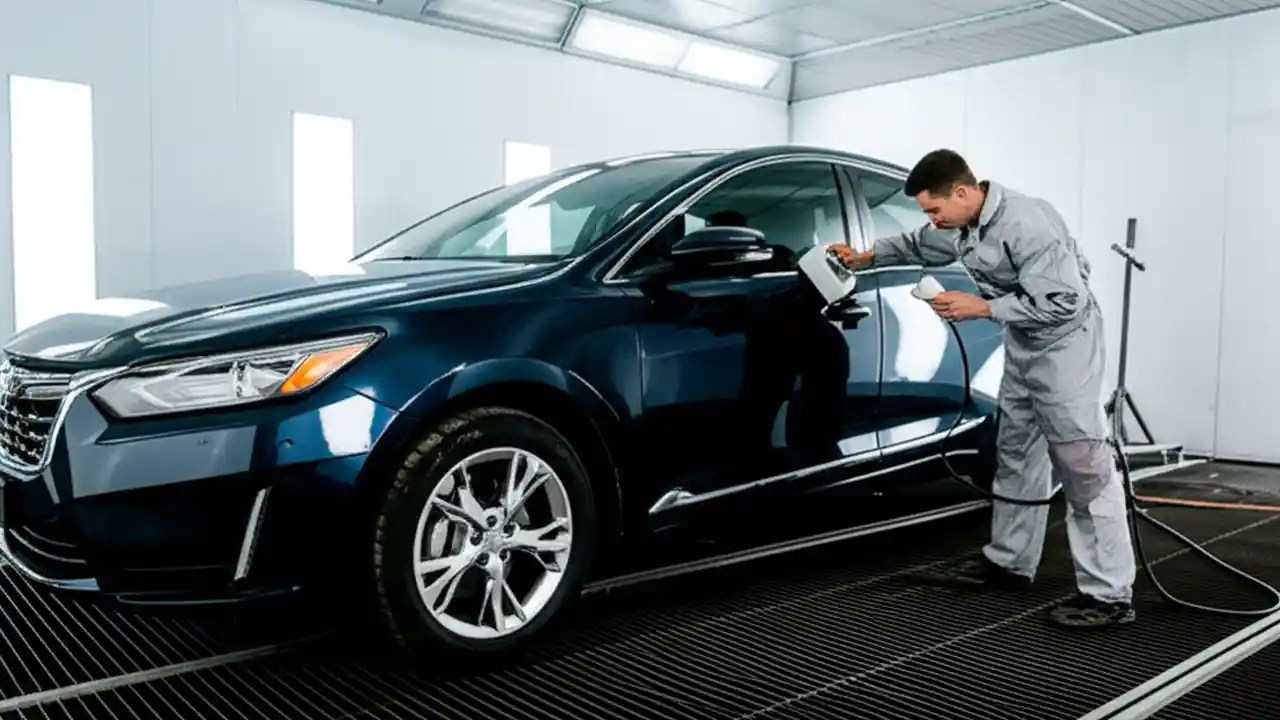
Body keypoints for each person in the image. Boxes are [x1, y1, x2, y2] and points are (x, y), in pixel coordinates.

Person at [831, 149, 1137, 629]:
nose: (932, 220)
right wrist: (866, 255)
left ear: (962, 192)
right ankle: (1009, 562)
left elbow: (1064, 301)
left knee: (1083, 466)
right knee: (1016, 452)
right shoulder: (963, 224)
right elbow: (920, 244)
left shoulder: (1027, 222)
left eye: (934, 210)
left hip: (1066, 344)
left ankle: (1108, 593)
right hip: (1024, 341)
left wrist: (983, 309)